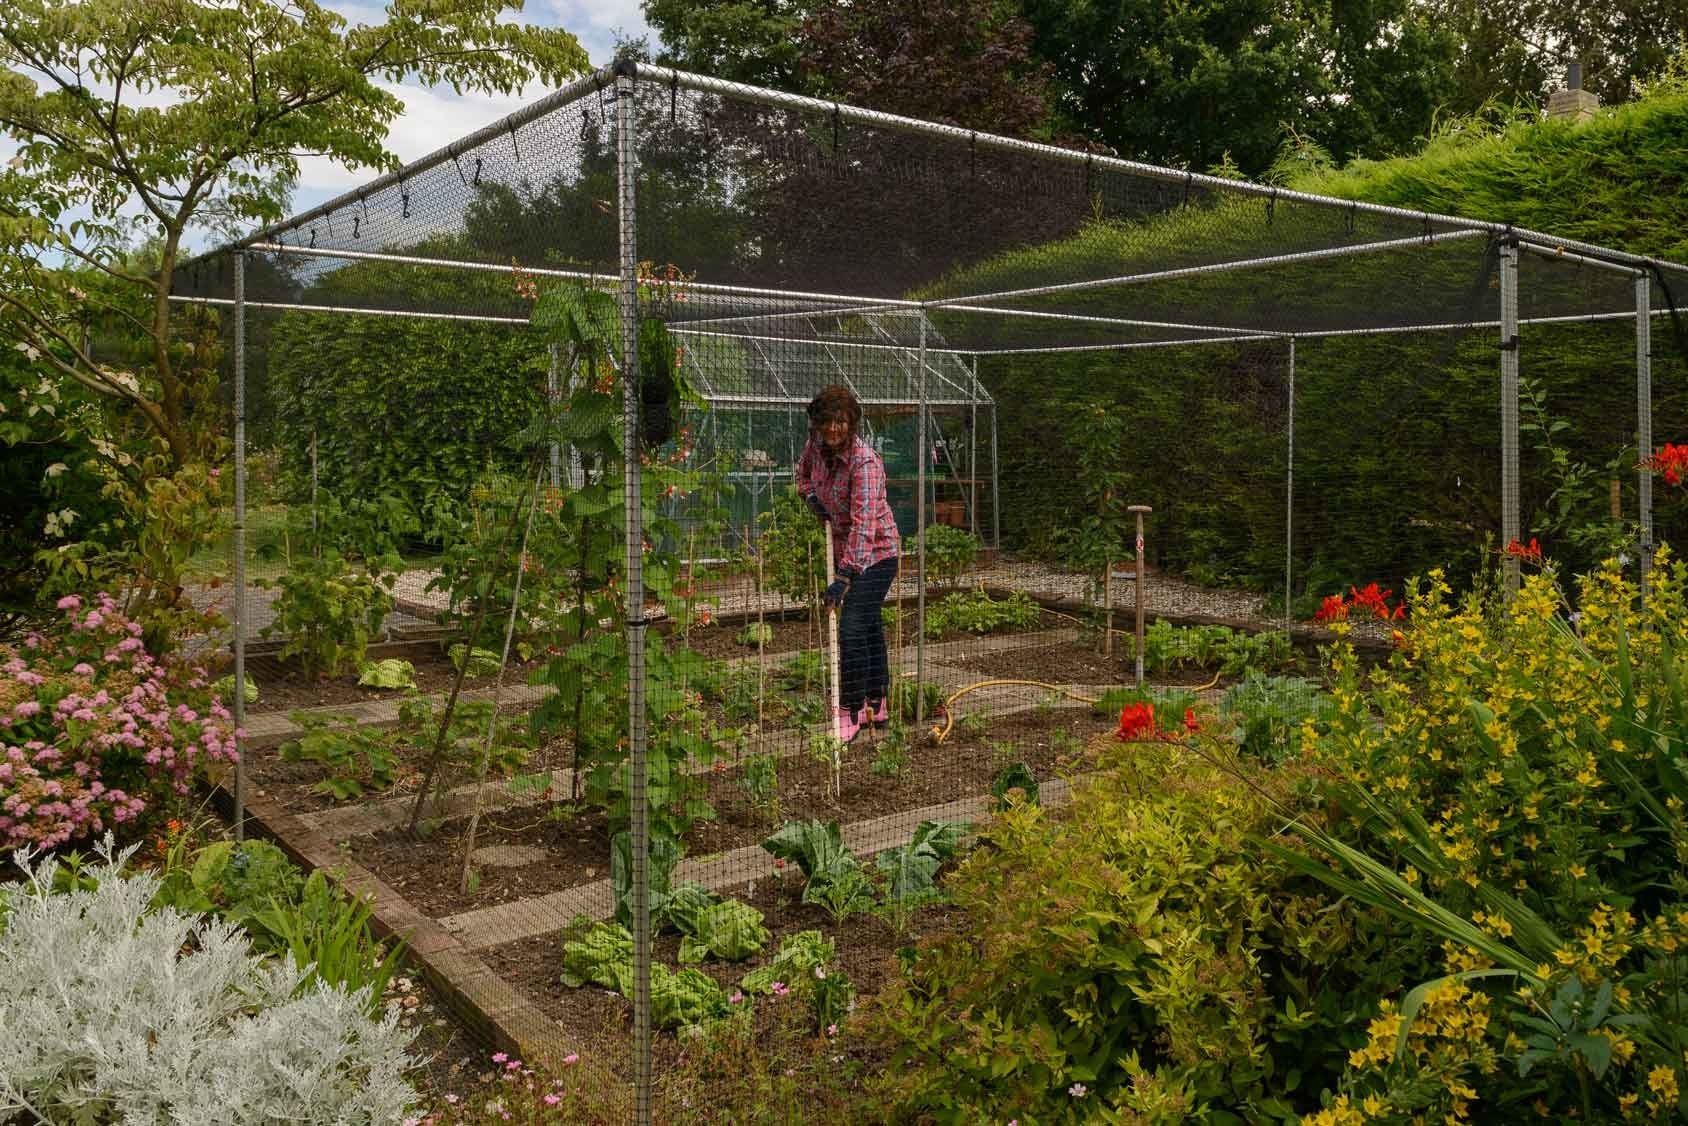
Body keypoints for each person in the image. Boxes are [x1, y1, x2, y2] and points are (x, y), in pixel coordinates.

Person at [795, 385, 901, 743]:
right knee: (869, 626)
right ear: (817, 425)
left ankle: (851, 711)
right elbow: (801, 477)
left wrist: (843, 577)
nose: (834, 428)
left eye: (841, 421)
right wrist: (811, 497)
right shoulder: (815, 449)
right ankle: (878, 702)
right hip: (846, 552)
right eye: (827, 421)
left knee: (852, 627)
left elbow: (864, 524)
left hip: (877, 554)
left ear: (851, 424)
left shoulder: (865, 463)